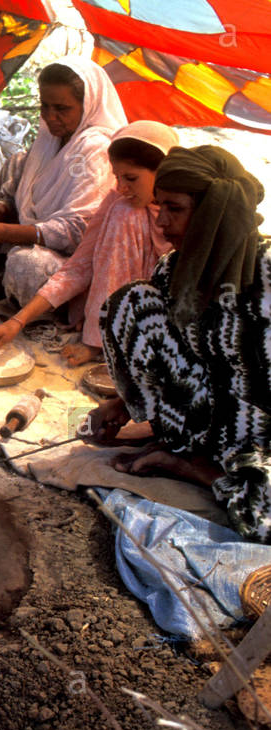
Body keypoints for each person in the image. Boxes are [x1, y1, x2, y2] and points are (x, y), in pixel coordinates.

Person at [92, 146, 271, 542]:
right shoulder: (174, 268)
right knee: (132, 303)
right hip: (205, 416)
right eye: (160, 207)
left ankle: (191, 467)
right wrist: (123, 403)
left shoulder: (266, 272)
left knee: (266, 510)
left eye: (174, 208)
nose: (162, 223)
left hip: (260, 430)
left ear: (212, 213)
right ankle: (181, 445)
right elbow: (173, 352)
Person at [0, 121, 178, 365]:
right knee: (124, 212)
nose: (121, 187)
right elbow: (79, 267)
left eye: (131, 178)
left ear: (163, 171)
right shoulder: (118, 203)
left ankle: (111, 338)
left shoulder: (188, 206)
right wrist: (17, 321)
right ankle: (104, 334)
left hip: (164, 316)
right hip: (119, 309)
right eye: (117, 177)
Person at [0, 58, 125, 306]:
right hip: (38, 242)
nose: (50, 117)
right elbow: (23, 208)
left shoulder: (96, 149)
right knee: (15, 162)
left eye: (62, 109)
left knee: (29, 265)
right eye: (44, 106)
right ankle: (3, 281)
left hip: (75, 263)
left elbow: (78, 232)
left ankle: (45, 306)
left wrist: (4, 231)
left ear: (88, 105)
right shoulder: (49, 141)